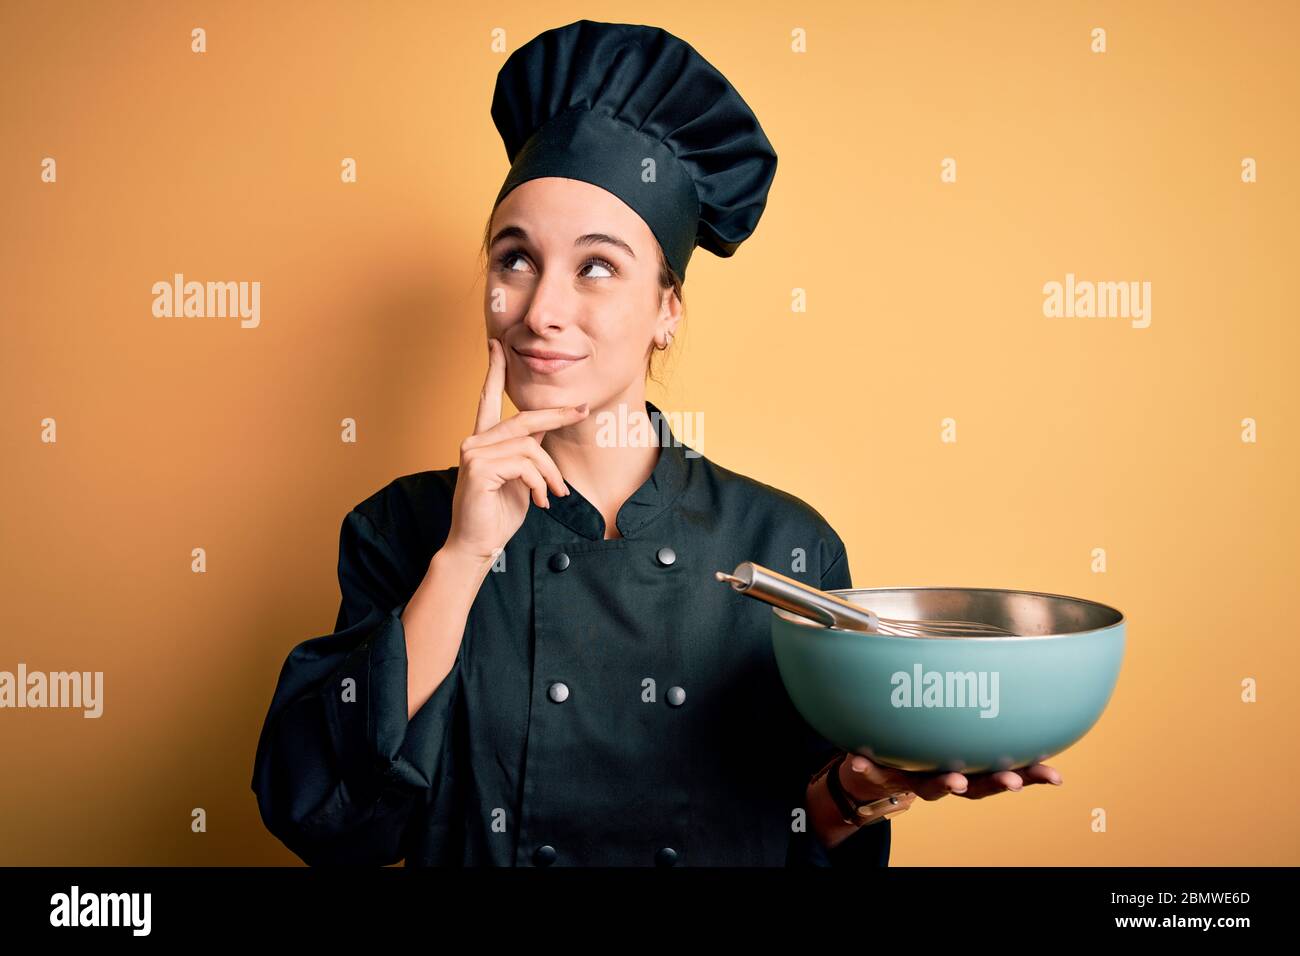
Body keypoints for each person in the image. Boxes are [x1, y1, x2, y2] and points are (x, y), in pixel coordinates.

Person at [250, 19, 1062, 867]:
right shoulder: (401, 530)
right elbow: (326, 822)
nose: (540, 309)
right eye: (514, 258)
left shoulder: (783, 546)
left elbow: (802, 837)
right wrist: (461, 558)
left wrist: (858, 795)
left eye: (596, 266)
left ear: (668, 310)